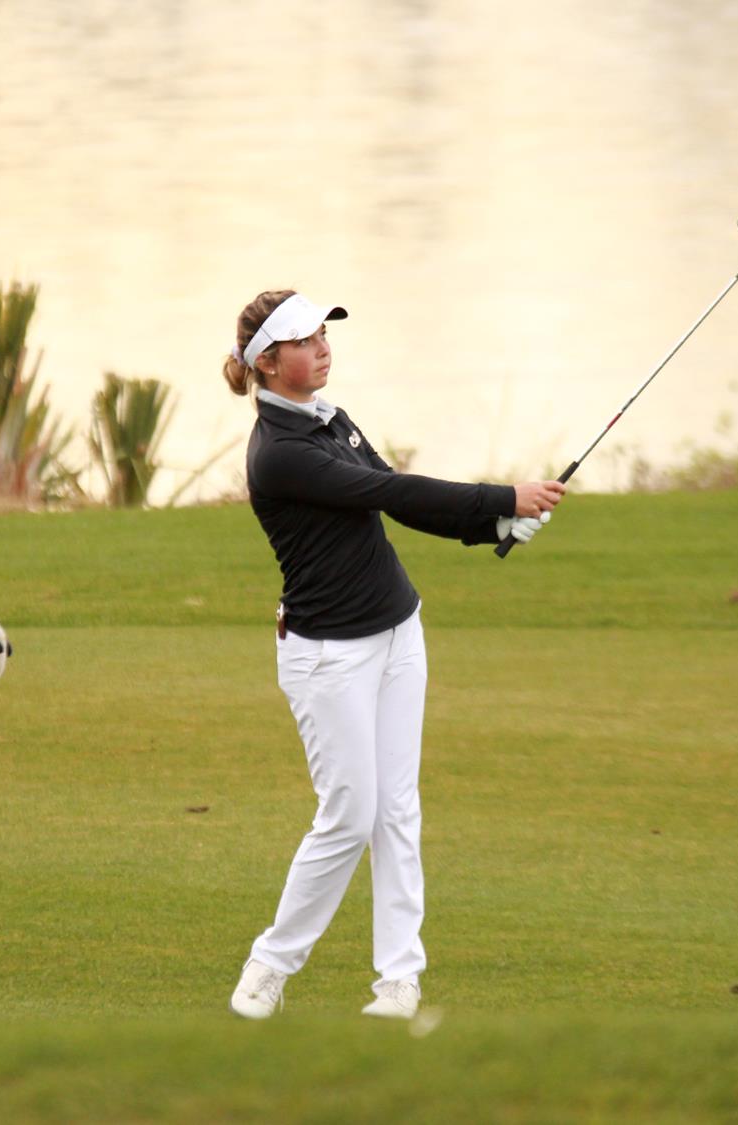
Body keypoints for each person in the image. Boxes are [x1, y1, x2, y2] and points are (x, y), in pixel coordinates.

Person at [221, 289, 565, 1020]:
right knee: (350, 812)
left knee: (397, 810)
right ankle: (269, 965)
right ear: (269, 364)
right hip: (327, 657)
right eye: (305, 340)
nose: (322, 347)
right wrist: (505, 492)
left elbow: (400, 506)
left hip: (397, 632)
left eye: (323, 334)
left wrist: (492, 525)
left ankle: (398, 980)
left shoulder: (328, 419)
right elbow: (384, 486)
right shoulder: (281, 454)